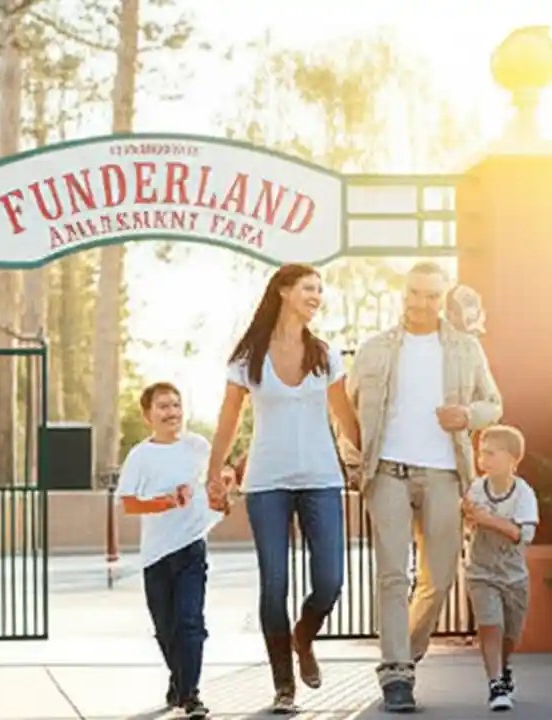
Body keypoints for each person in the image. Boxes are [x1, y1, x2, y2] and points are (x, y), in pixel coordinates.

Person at [343, 260, 503, 713]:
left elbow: (494, 403)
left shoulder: (465, 349)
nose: (421, 302)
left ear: (443, 297)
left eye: (432, 295)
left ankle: (406, 651)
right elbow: (348, 416)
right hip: (388, 471)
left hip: (444, 473)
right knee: (393, 575)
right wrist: (355, 465)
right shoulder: (374, 349)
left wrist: (466, 417)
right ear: (404, 293)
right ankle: (395, 673)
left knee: (441, 575)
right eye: (414, 292)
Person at [205, 263, 362, 714]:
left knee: (330, 581)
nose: (316, 295)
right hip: (267, 483)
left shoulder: (325, 355)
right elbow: (228, 420)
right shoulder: (247, 358)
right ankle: (283, 686)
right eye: (309, 288)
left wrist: (366, 458)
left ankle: (304, 637)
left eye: (320, 289)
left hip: (321, 479)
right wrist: (215, 472)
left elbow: (345, 417)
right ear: (284, 291)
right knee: (274, 586)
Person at [116, 381, 226, 719]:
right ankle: (179, 681)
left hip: (192, 546)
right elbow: (129, 505)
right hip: (157, 556)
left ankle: (190, 695)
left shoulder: (197, 446)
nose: (172, 412)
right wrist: (165, 502)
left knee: (190, 621)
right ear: (148, 414)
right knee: (166, 627)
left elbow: (216, 481)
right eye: (163, 406)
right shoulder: (140, 455)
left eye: (176, 405)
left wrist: (224, 487)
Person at [462, 425, 539, 711]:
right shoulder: (476, 489)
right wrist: (473, 517)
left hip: (514, 576)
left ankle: (504, 667)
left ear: (512, 459)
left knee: (511, 633)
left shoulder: (524, 494)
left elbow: (522, 534)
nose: (484, 459)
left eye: (492, 453)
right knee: (490, 625)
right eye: (482, 453)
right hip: (481, 572)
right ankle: (495, 683)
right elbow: (469, 518)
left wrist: (490, 520)